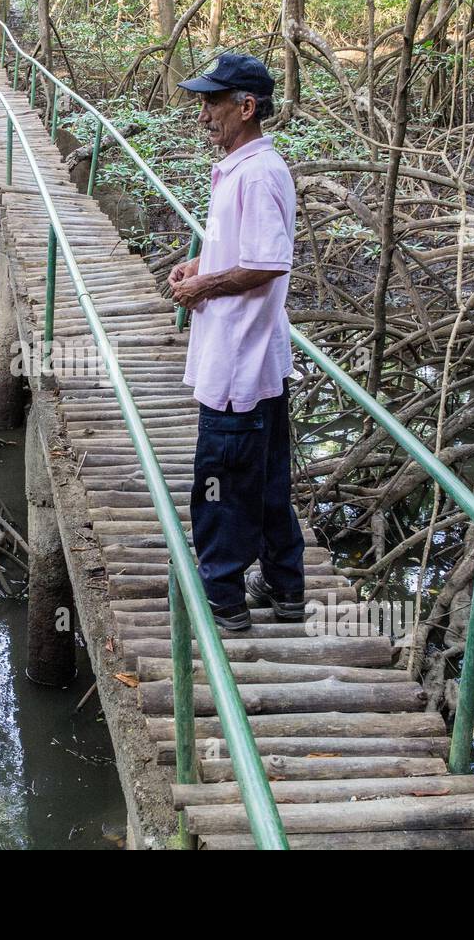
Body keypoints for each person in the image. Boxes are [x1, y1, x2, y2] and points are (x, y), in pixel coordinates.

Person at [169, 53, 306, 631]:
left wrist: (204, 284)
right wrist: (199, 263)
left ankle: (221, 600)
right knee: (270, 484)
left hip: (238, 367)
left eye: (211, 102)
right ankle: (284, 588)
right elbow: (241, 248)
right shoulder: (238, 168)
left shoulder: (258, 172)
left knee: (220, 484)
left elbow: (268, 263)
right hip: (259, 365)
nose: (203, 114)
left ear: (246, 107)